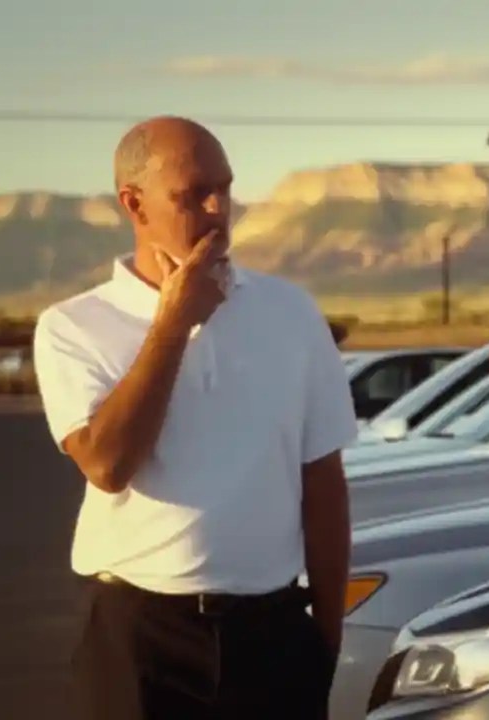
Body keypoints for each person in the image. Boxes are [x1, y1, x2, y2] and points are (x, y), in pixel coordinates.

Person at [32, 115, 357, 718]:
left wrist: (325, 643)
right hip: (140, 640)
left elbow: (323, 484)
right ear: (135, 203)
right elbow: (107, 465)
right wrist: (173, 321)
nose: (218, 209)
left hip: (274, 636)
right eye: (194, 194)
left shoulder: (291, 313)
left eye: (225, 189)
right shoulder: (72, 327)